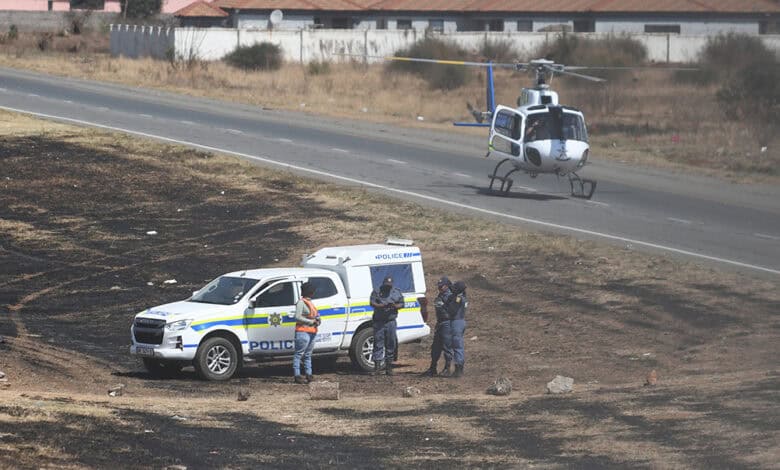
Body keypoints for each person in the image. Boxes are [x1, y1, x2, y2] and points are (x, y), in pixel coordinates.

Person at [370, 276, 404, 376]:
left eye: (389, 286)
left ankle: (389, 367)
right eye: (386, 286)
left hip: (391, 321)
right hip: (379, 321)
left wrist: (394, 306)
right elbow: (372, 303)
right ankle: (377, 368)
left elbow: (402, 304)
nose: (387, 287)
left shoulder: (396, 292)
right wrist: (381, 306)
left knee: (391, 343)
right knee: (378, 343)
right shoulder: (376, 291)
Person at [421, 276, 454, 377]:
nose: (439, 288)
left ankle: (447, 368)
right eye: (439, 286)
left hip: (447, 323)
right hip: (440, 323)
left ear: (447, 286)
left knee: (447, 346)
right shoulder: (441, 295)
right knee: (435, 347)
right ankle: (432, 368)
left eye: (442, 286)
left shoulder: (450, 296)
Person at [293, 282, 320, 384]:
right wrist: (311, 322)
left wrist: (318, 320)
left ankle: (309, 374)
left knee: (308, 354)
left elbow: (315, 315)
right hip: (303, 331)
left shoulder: (310, 302)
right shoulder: (301, 302)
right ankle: (297, 375)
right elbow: (297, 317)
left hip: (312, 331)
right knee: (299, 354)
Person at [446, 280, 468, 378]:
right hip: (461, 321)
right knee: (458, 345)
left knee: (457, 345)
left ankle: (458, 369)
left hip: (456, 322)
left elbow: (452, 309)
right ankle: (460, 366)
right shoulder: (463, 296)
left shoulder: (458, 298)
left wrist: (448, 302)